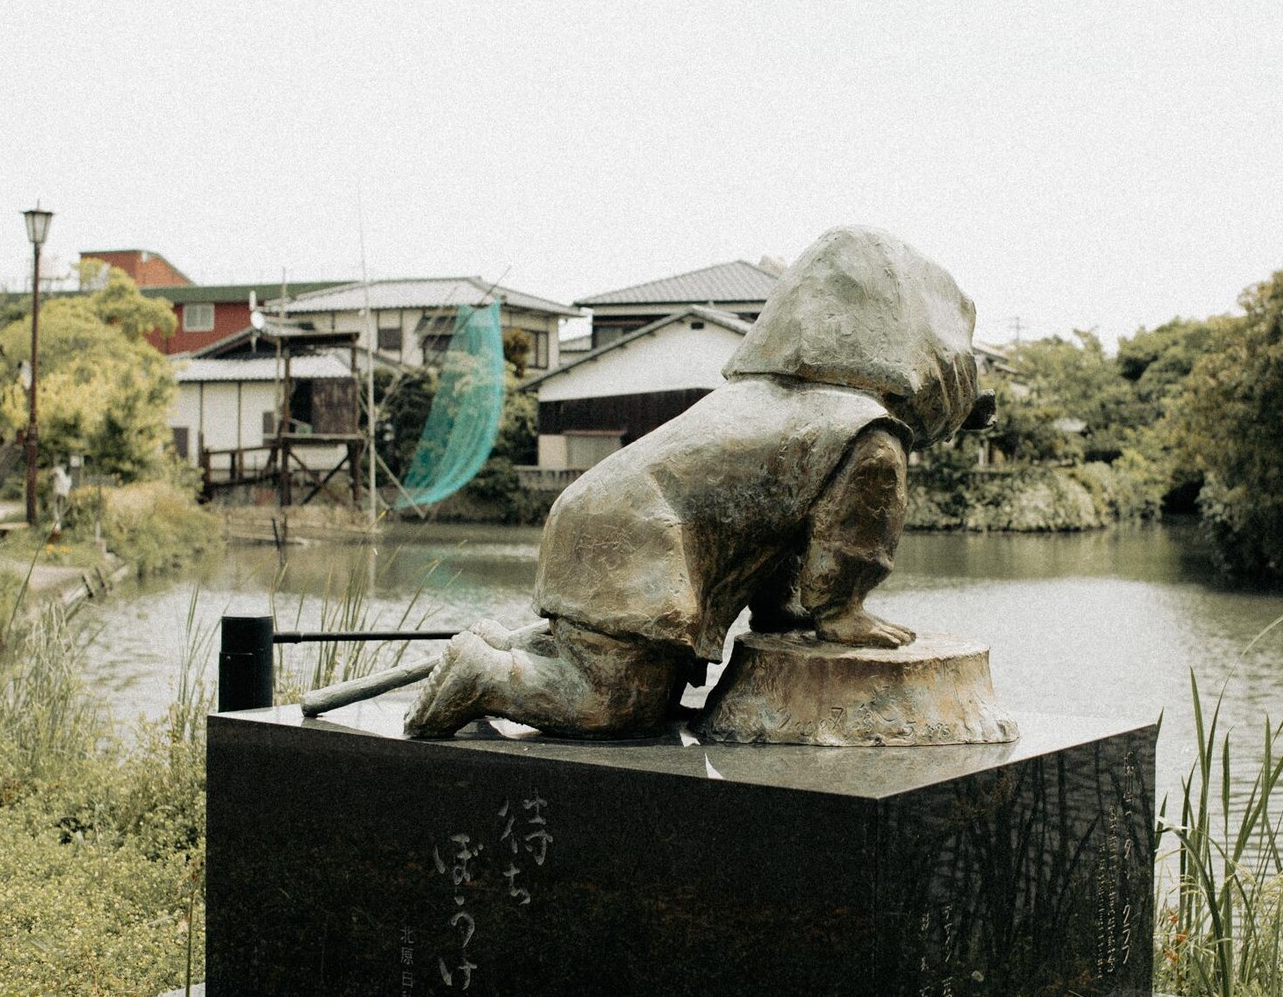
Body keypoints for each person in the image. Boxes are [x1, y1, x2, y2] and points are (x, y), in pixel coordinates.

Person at [404, 226, 987, 739]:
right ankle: (485, 676)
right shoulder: (867, 433)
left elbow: (779, 523)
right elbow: (847, 546)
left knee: (608, 660)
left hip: (609, 513)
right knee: (621, 702)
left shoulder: (763, 402)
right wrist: (838, 610)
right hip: (641, 532)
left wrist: (782, 609)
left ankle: (511, 647)